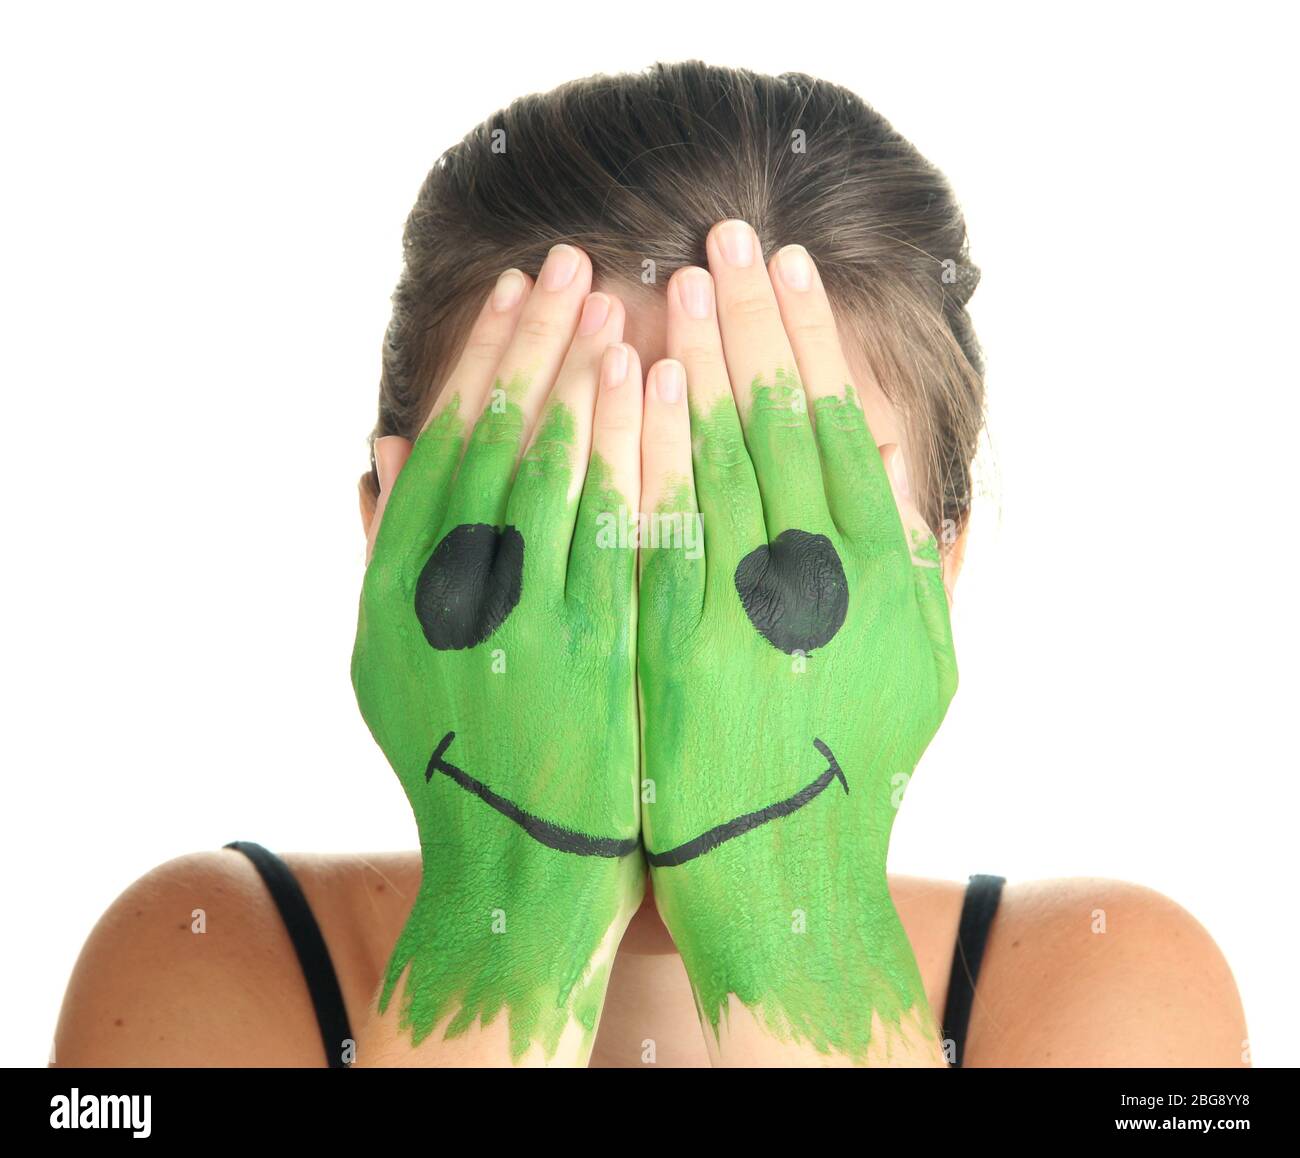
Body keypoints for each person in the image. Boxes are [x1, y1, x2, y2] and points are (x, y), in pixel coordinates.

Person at [51, 62, 1248, 1068]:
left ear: (940, 568)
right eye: (561, 521)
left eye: (772, 542)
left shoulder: (1113, 991)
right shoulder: (202, 956)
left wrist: (800, 947)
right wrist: (502, 942)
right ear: (386, 550)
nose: (657, 631)